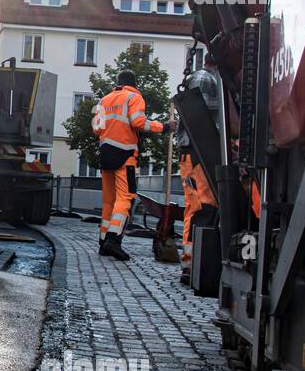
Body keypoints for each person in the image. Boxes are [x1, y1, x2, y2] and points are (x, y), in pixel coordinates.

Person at [92, 69, 170, 261]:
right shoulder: (134, 97)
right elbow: (138, 122)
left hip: (105, 153)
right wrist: (164, 127)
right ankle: (113, 239)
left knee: (108, 201)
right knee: (125, 197)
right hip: (125, 154)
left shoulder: (104, 100)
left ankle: (103, 241)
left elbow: (96, 129)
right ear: (134, 84)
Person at [176, 53, 220, 285]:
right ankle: (192, 263)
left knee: (201, 207)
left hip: (197, 152)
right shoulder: (205, 79)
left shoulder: (208, 79)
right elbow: (199, 117)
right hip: (197, 151)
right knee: (201, 207)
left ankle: (193, 261)